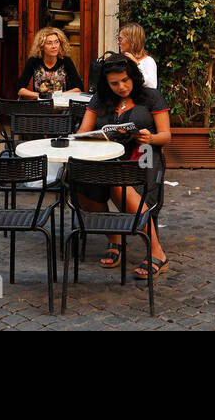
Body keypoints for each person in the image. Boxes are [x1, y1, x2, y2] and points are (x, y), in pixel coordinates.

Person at [75, 53, 170, 280]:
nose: (121, 86)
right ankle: (115, 237)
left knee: (119, 184)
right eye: (115, 83)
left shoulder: (150, 97)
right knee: (81, 185)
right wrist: (95, 137)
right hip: (107, 158)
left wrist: (151, 138)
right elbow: (81, 133)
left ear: (133, 77)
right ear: (106, 84)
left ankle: (157, 251)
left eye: (125, 80)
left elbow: (166, 135)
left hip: (144, 157)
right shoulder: (99, 100)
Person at [17, 27, 83, 99]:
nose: (54, 46)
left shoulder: (65, 61)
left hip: (62, 104)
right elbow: (20, 90)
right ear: (41, 46)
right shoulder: (34, 61)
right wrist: (39, 96)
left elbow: (79, 88)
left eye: (56, 42)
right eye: (49, 43)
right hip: (40, 105)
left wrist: (59, 96)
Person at [117, 23, 158, 89]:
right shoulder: (122, 60)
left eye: (120, 39)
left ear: (132, 41)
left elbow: (152, 85)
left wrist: (136, 63)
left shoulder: (148, 61)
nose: (118, 43)